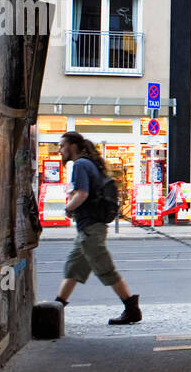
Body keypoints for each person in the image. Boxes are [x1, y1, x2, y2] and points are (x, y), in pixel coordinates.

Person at [53, 131, 142, 325]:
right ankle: (56, 309)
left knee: (105, 269)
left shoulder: (80, 164)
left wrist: (67, 209)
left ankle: (131, 308)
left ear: (73, 147)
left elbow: (82, 193)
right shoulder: (88, 164)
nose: (59, 150)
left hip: (91, 228)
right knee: (73, 268)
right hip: (88, 228)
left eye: (62, 146)